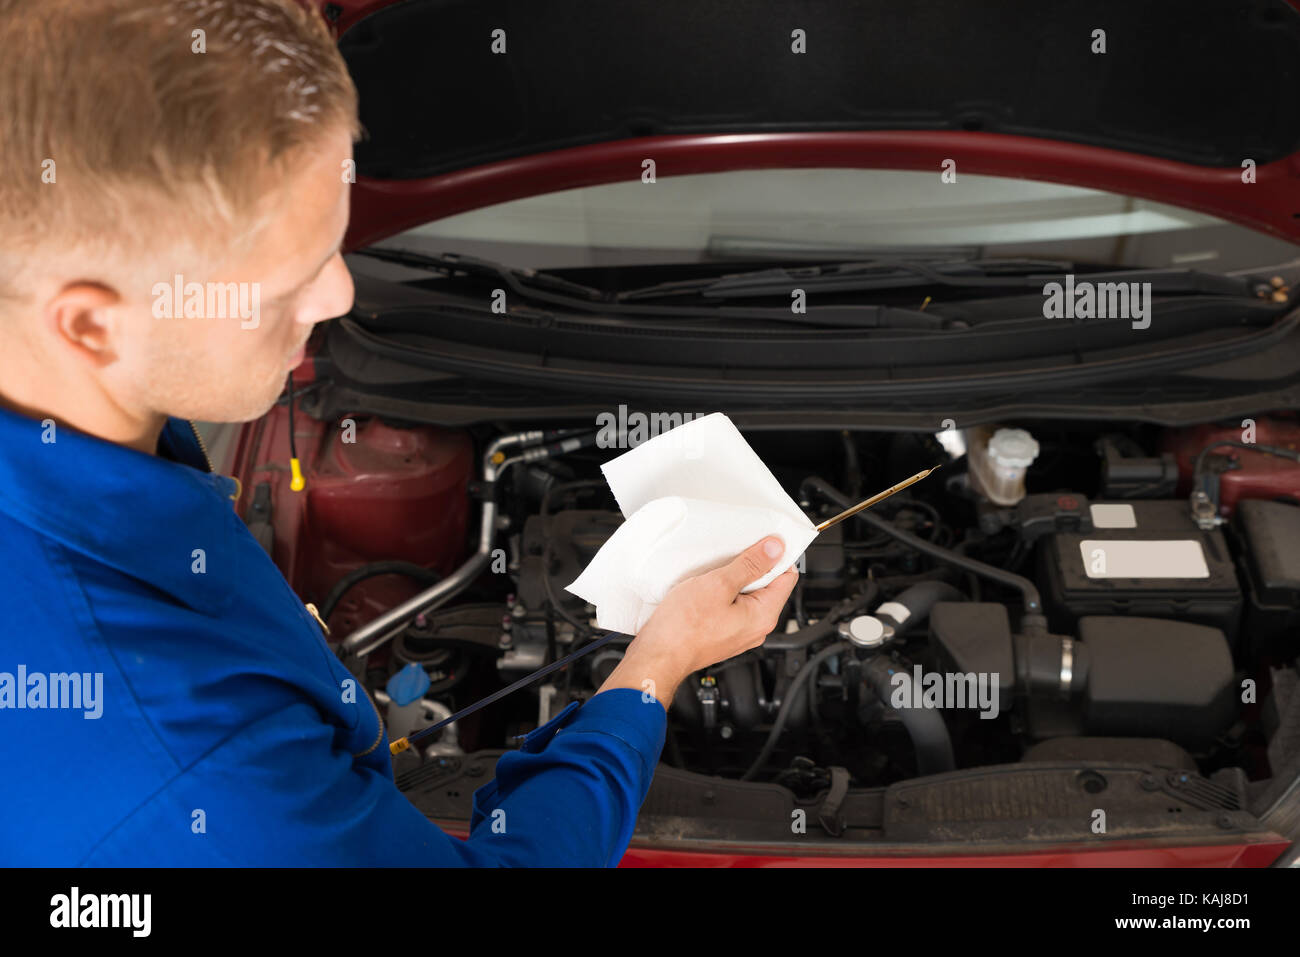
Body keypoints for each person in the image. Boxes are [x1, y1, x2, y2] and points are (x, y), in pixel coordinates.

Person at [0, 0, 798, 865]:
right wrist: (652, 669)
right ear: (89, 324)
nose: (342, 296)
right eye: (291, 279)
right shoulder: (200, 770)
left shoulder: (92, 406)